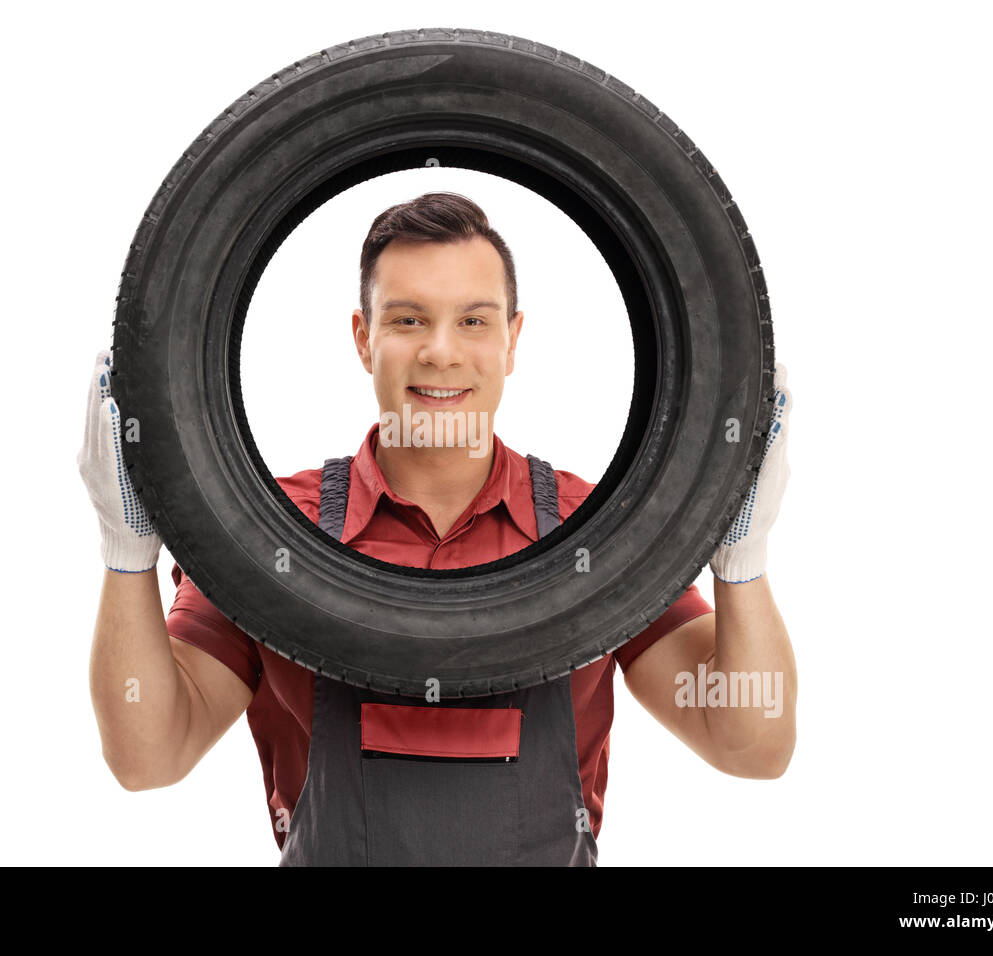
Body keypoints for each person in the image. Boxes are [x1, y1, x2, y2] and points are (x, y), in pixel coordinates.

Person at [79, 191, 796, 866]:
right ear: (364, 339)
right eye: (408, 319)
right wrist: (127, 551)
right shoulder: (269, 529)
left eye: (475, 321)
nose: (442, 352)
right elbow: (149, 756)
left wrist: (741, 559)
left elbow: (753, 746)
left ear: (513, 341)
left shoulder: (599, 530)